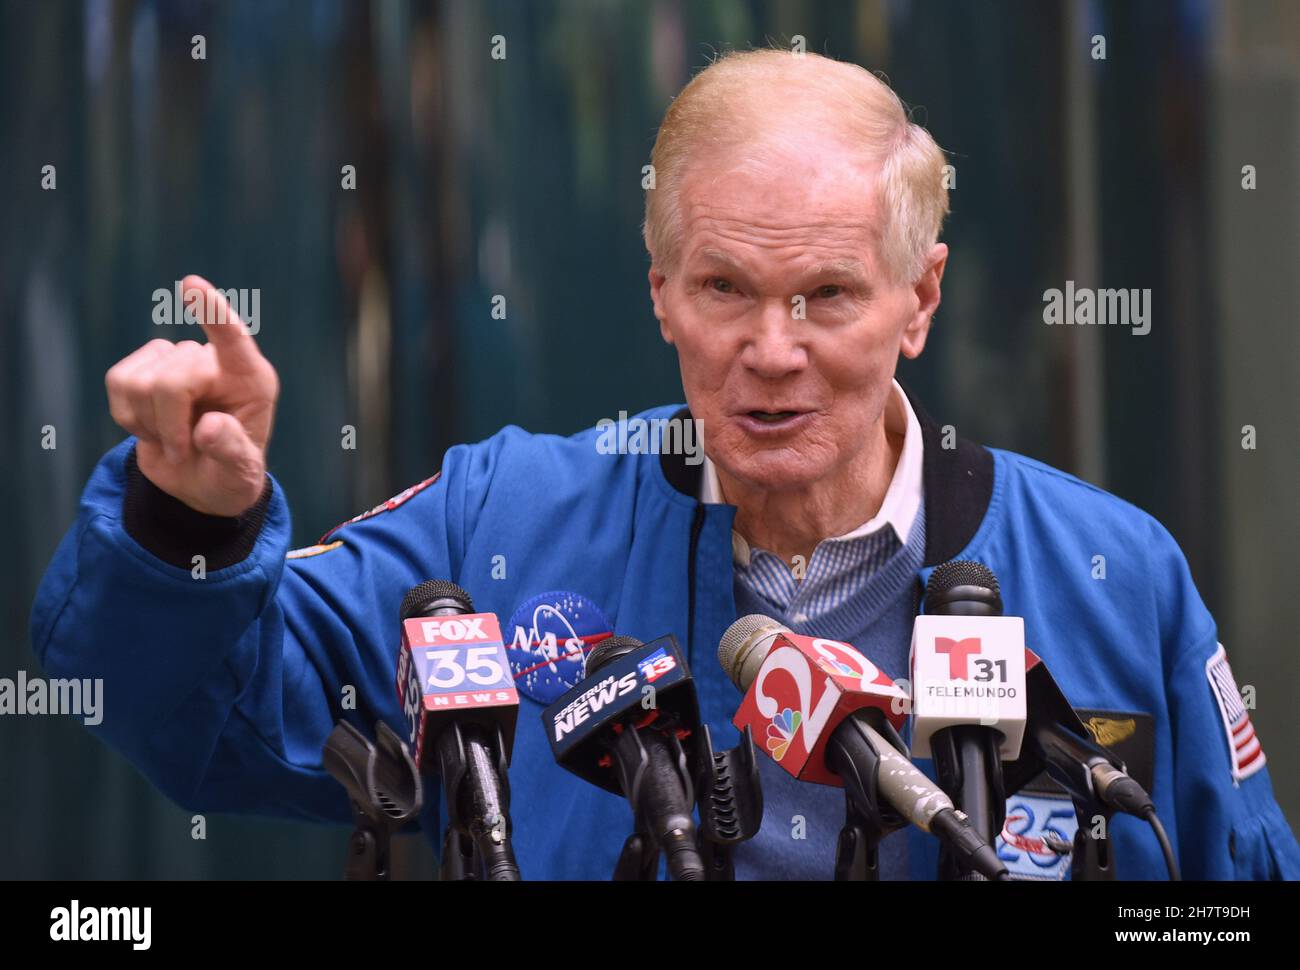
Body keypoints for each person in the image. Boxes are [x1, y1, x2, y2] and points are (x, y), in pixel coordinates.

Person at [31, 49, 1298, 880]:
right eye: (725, 287)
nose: (769, 350)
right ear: (659, 297)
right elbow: (210, 718)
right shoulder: (507, 524)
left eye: (826, 294)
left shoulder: (1109, 573)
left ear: (921, 301)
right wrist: (192, 517)